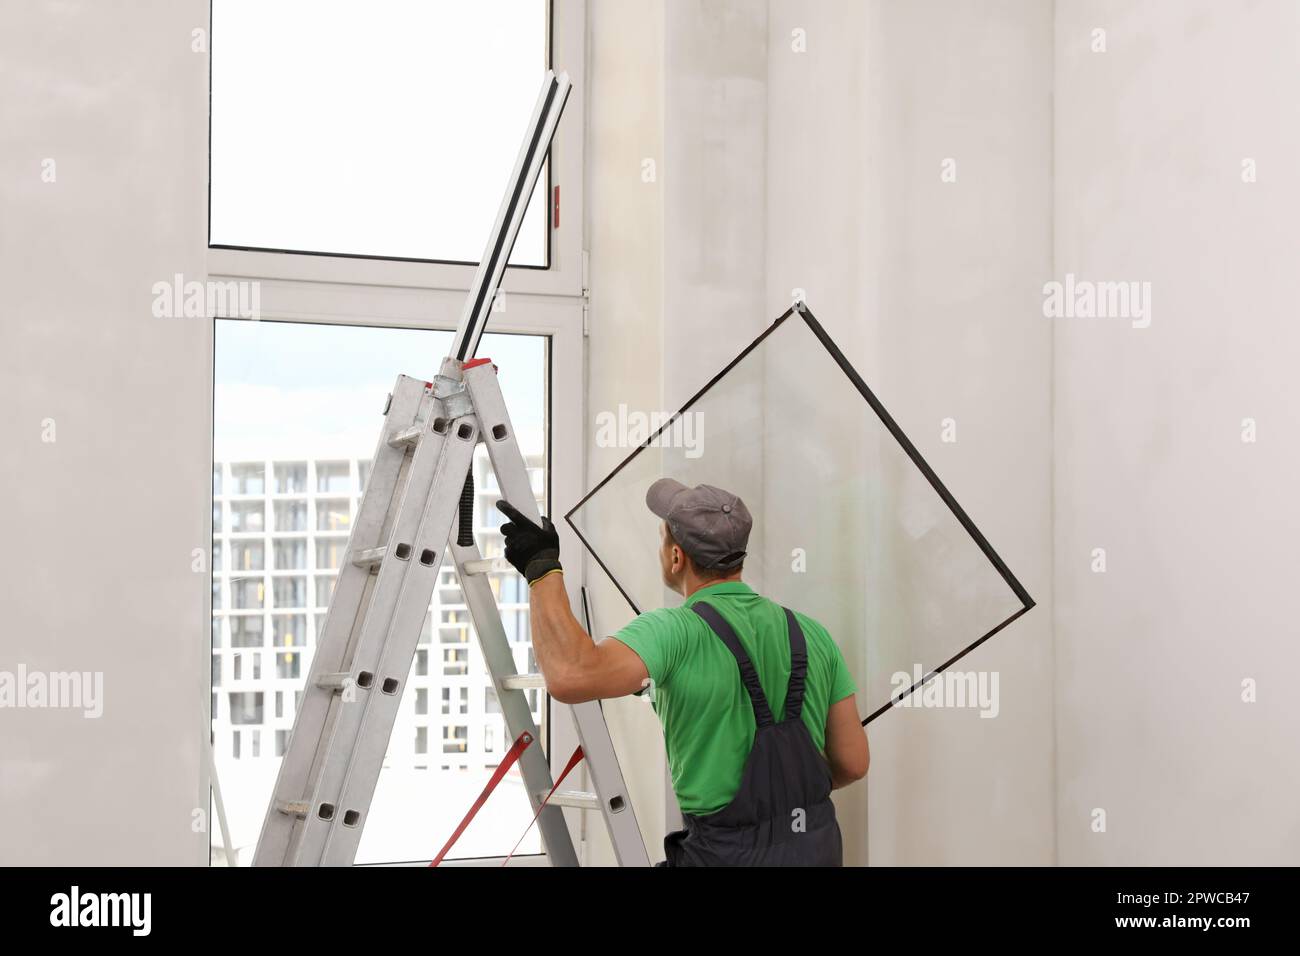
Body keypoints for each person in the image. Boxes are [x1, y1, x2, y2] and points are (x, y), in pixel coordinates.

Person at [495, 478, 869, 866]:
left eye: (661, 540)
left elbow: (571, 675)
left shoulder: (674, 631)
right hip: (817, 849)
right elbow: (853, 762)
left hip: (725, 856)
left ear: (676, 557)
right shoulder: (812, 634)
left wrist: (541, 569)